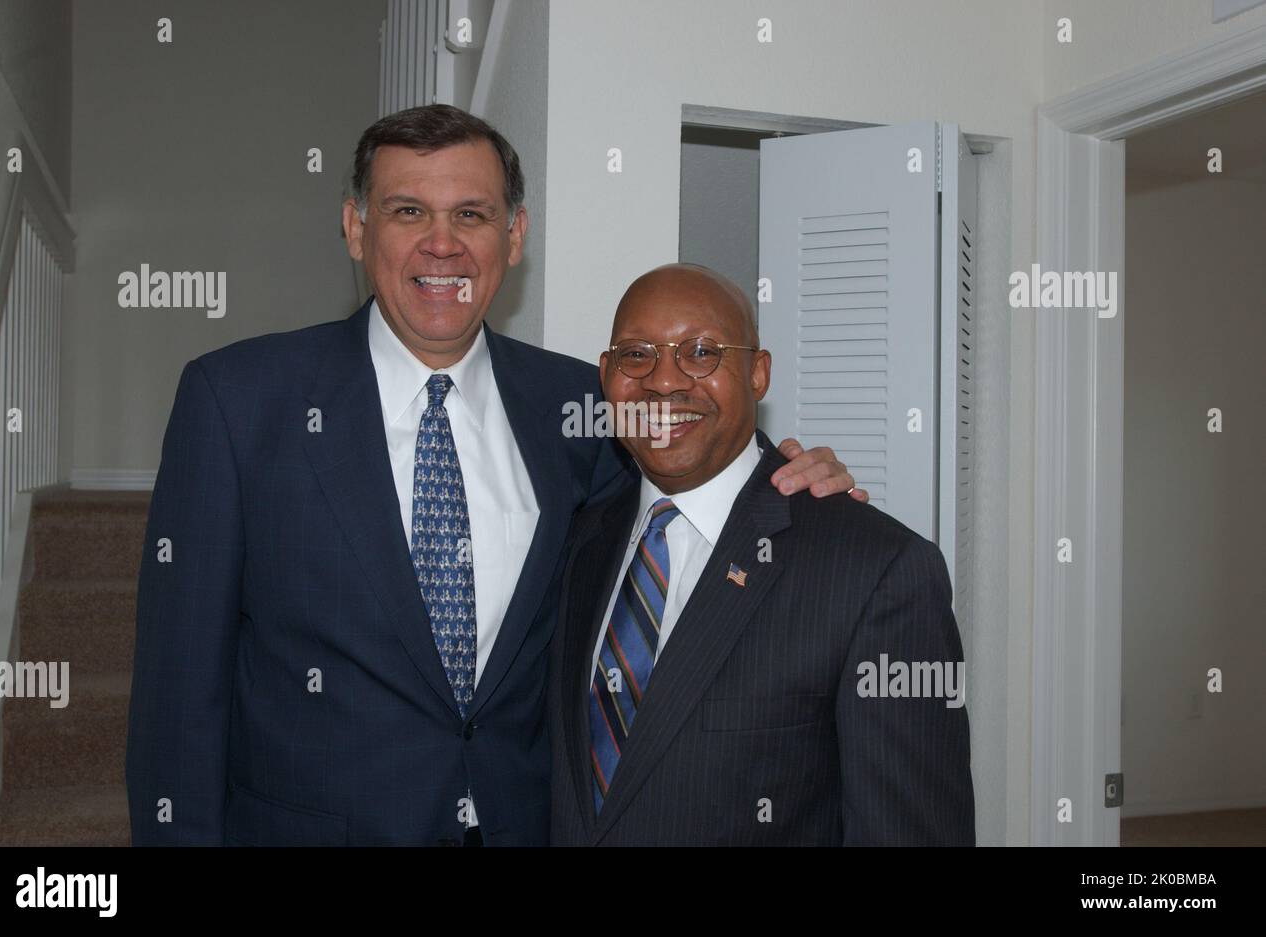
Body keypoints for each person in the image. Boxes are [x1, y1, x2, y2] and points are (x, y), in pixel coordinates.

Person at [125, 105, 859, 846]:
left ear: (513, 237)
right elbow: (179, 697)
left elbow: (697, 460)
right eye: (407, 210)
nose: (441, 245)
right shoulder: (239, 403)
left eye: (470, 214)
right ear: (355, 227)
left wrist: (789, 482)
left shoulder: (582, 408)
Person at [549, 263, 975, 845]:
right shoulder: (579, 539)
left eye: (700, 352)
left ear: (758, 372)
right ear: (606, 375)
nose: (664, 381)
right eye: (636, 354)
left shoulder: (878, 572)